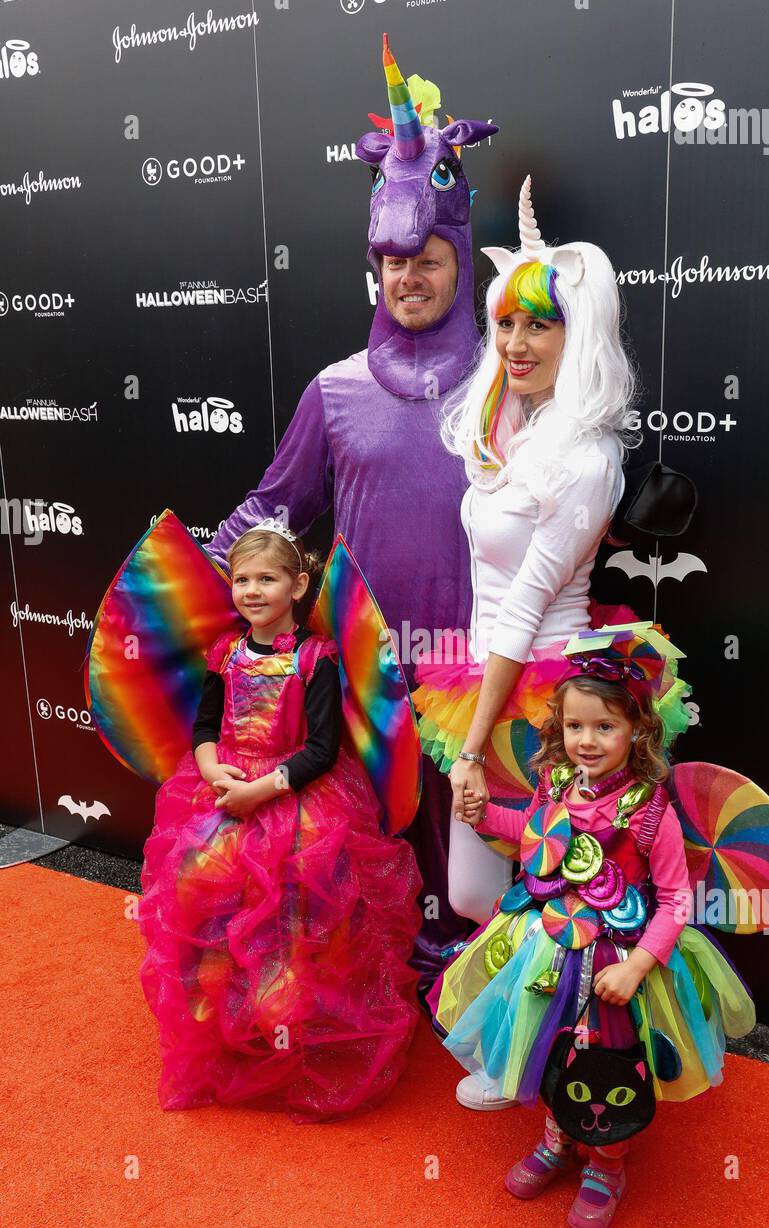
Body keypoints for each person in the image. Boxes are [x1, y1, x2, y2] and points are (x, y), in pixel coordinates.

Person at [203, 35, 499, 995]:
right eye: (391, 264)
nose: (408, 279)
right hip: (362, 667)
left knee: (475, 855)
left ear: (458, 262)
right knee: (369, 838)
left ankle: (477, 981)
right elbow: (275, 504)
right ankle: (373, 965)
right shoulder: (334, 390)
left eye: (427, 259)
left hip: (480, 666)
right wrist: (194, 566)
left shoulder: (510, 383)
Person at [412, 177, 676, 1106]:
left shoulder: (589, 456)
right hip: (483, 677)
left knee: (547, 897)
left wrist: (476, 746)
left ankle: (559, 1067)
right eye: (507, 325)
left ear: (579, 339)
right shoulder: (508, 424)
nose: (516, 346)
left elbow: (526, 605)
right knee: (487, 894)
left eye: (540, 327)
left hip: (546, 700)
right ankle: (521, 1047)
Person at [434, 627, 756, 1228]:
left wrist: (638, 966)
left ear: (637, 731)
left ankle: (607, 1162)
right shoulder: (555, 784)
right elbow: (534, 831)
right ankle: (559, 1137)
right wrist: (483, 815)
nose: (587, 740)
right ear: (560, 728)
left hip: (616, 961)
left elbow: (676, 899)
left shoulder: (648, 808)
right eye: (576, 726)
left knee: (607, 1060)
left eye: (605, 727)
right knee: (550, 1046)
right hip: (546, 946)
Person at [136, 519, 423, 1120]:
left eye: (267, 578)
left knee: (295, 913)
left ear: (297, 586)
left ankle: (291, 1026)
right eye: (242, 579)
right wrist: (215, 774)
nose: (253, 590)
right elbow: (206, 729)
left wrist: (258, 793)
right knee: (206, 898)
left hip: (295, 798)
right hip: (229, 789)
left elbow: (321, 749)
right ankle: (226, 1028)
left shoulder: (316, 658)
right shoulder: (227, 655)